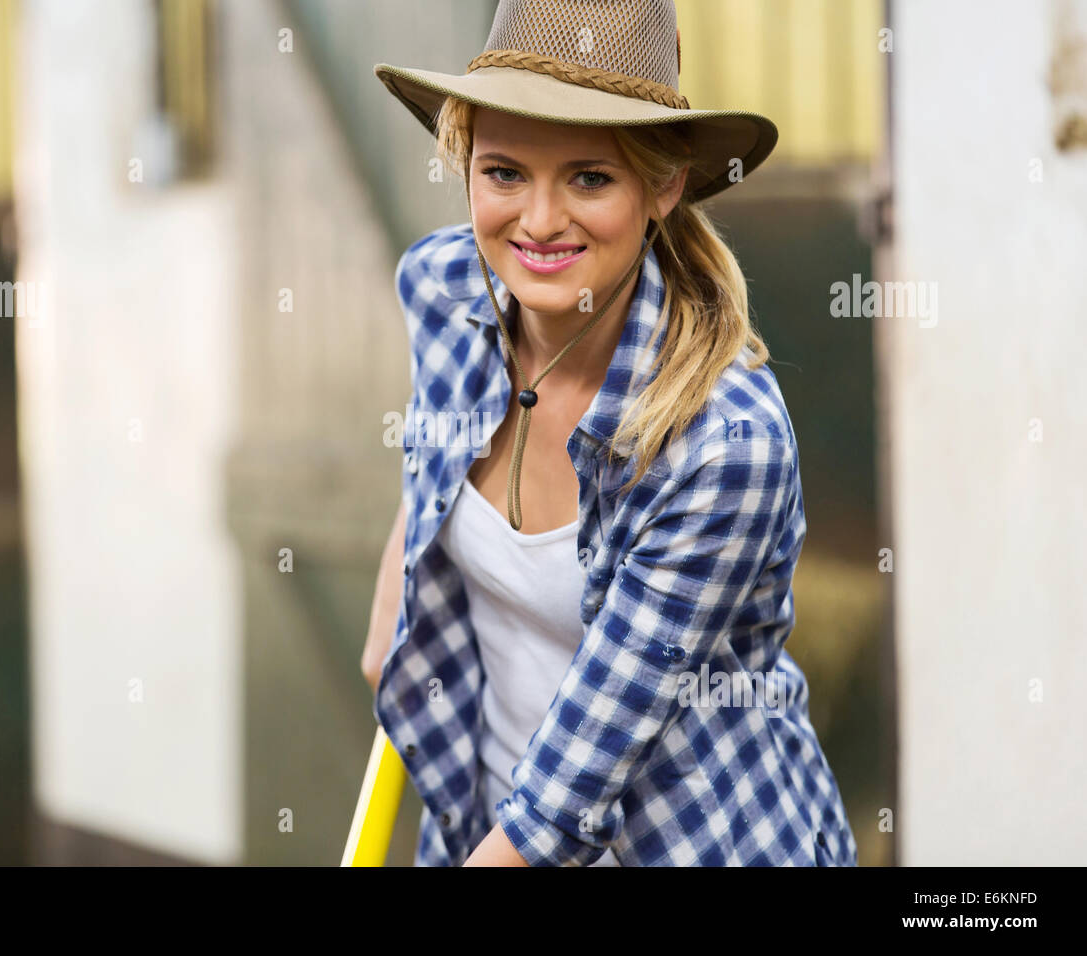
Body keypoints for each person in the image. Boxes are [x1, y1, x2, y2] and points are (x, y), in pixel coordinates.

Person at [362, 0, 857, 867]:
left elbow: (561, 798)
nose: (540, 221)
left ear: (663, 185)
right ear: (463, 161)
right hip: (484, 821)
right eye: (504, 172)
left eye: (590, 177)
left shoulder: (723, 444)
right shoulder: (444, 290)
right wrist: (395, 605)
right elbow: (433, 454)